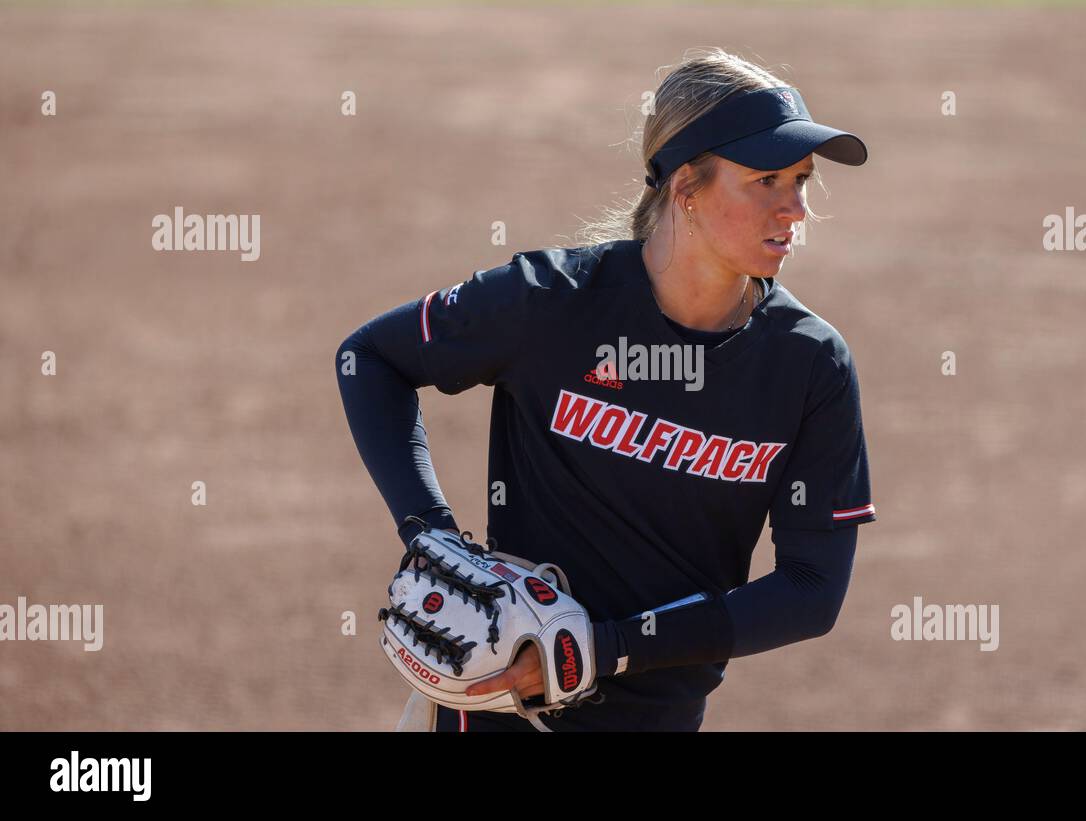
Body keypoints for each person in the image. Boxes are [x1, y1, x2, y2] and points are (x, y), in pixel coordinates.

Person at [336, 48, 876, 732]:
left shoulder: (808, 364)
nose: (795, 207)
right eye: (767, 179)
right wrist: (429, 533)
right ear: (686, 184)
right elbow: (370, 357)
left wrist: (604, 648)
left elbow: (813, 589)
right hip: (495, 710)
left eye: (801, 179)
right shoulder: (553, 302)